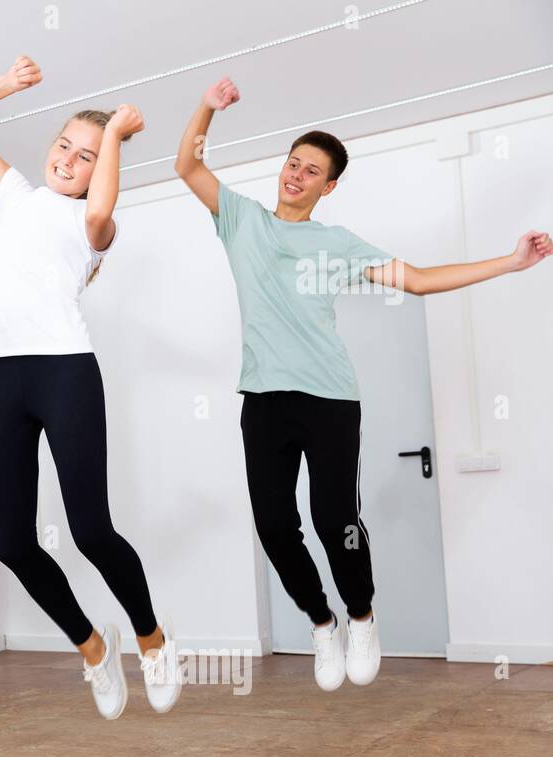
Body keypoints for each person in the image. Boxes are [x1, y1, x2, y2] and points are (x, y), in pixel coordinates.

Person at [175, 75, 553, 690]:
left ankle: (361, 615)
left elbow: (420, 280)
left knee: (334, 519)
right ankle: (321, 623)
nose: (296, 175)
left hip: (329, 398)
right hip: (263, 399)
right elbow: (187, 166)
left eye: (312, 171)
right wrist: (207, 108)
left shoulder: (337, 243)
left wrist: (511, 263)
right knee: (274, 526)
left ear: (328, 186)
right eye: (293, 163)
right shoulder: (241, 221)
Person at [0, 57, 181, 718]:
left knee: (91, 531)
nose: (68, 161)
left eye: (87, 156)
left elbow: (101, 206)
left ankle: (152, 639)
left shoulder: (94, 228)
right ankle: (93, 648)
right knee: (11, 544)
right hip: (2, 375)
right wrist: (6, 85)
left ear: (102, 168)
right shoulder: (13, 195)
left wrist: (117, 136)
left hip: (65, 371)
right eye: (64, 146)